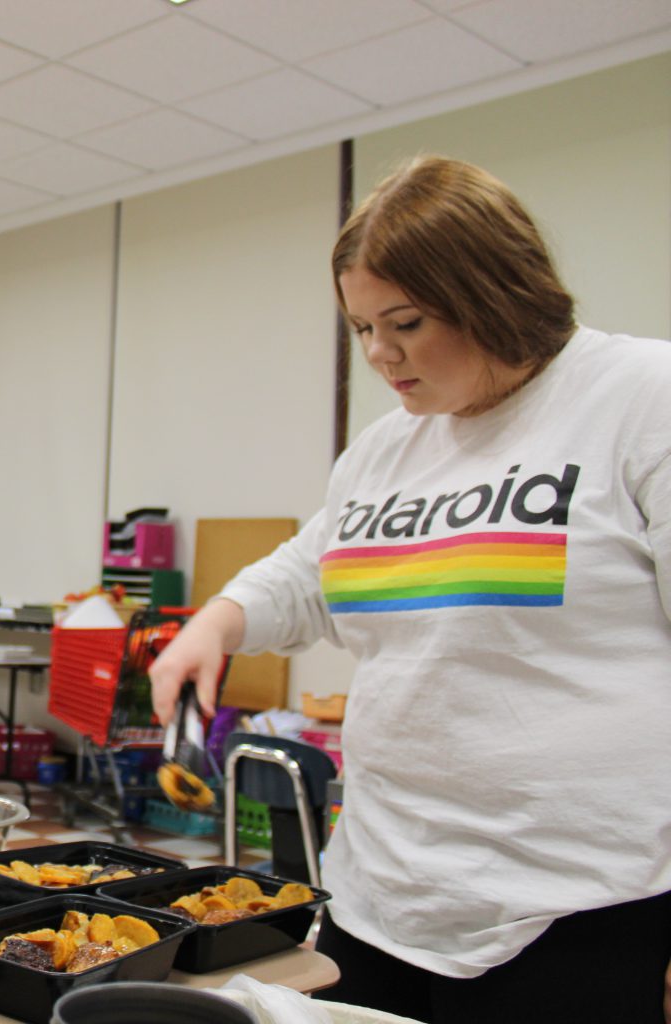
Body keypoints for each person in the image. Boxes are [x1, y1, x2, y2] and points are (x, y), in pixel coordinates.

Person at [148, 156, 671, 1023]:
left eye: (407, 322)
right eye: (360, 328)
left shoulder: (639, 399)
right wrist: (220, 620)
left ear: (496, 292)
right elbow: (310, 571)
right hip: (382, 897)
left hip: (578, 907)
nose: (380, 354)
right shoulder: (391, 449)